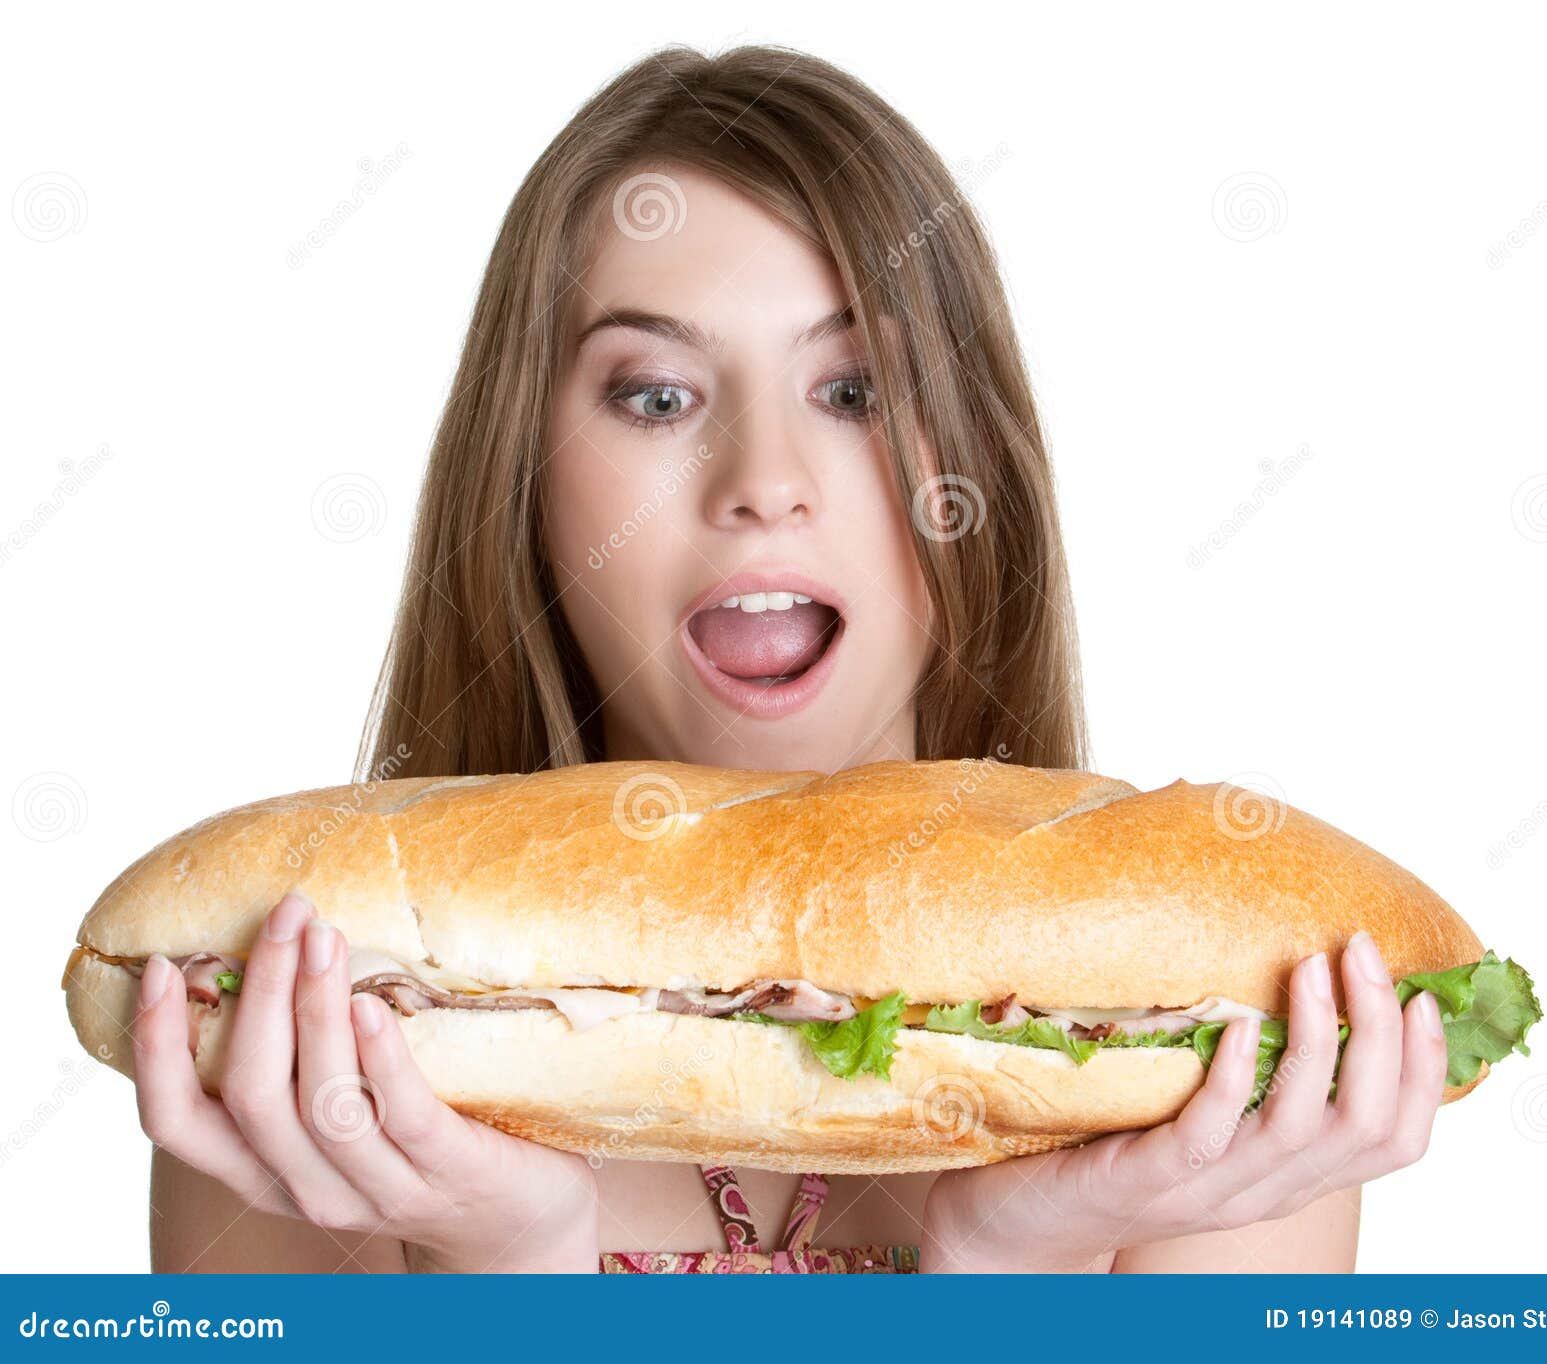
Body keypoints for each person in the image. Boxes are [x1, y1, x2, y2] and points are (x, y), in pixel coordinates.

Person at [131, 44, 1447, 1274]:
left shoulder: (1223, 1065)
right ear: (523, 478)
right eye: (657, 396)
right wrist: (503, 1278)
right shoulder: (290, 1052)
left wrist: (1012, 1267)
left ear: (971, 470)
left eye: (856, 390)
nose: (765, 482)